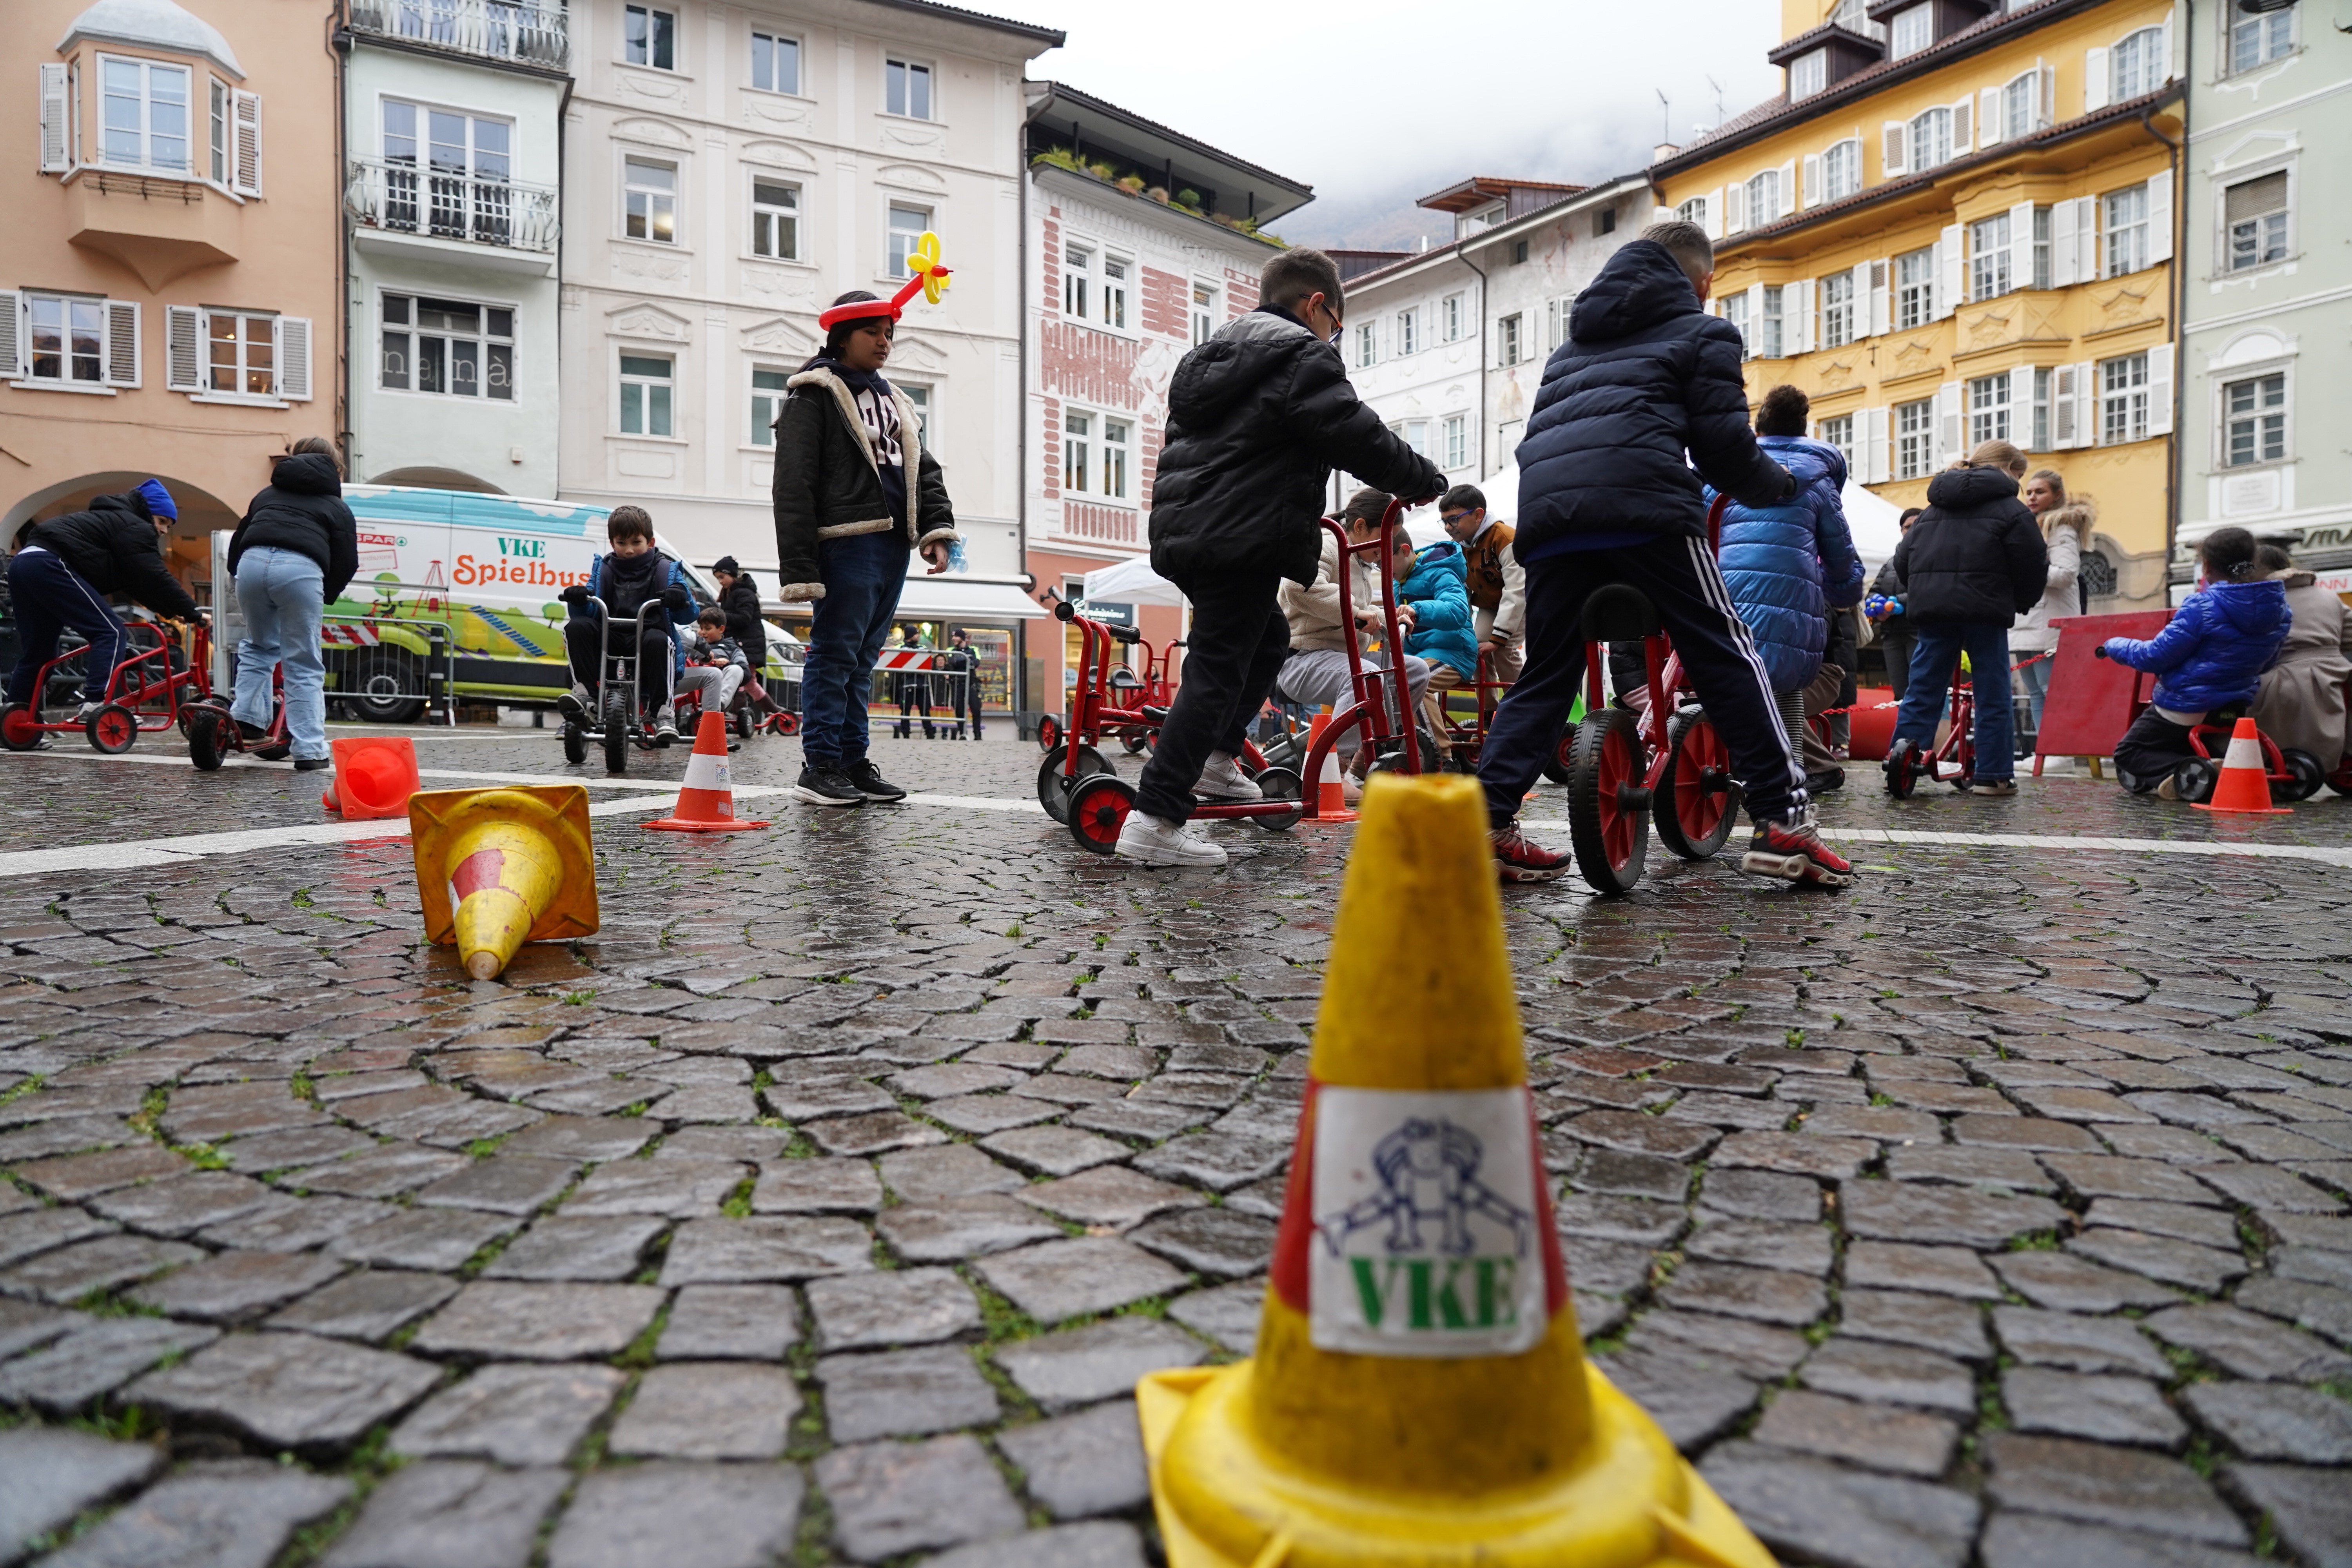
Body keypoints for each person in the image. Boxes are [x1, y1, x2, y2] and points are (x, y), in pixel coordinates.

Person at [1476, 220, 1851, 888]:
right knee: (1726, 649)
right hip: (1646, 508)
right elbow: (1726, 452)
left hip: (1552, 519)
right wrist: (1783, 487)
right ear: (1704, 283)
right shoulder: (1705, 333)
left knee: (1547, 673)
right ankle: (1783, 820)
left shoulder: (1571, 351)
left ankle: (1487, 824)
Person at [1123, 247, 1444, 866]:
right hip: (1239, 534)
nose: (1335, 339)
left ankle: (1216, 761)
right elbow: (1356, 433)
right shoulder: (1300, 355)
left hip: (1193, 531)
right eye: (1338, 326)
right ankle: (1156, 817)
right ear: (1317, 304)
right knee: (1218, 669)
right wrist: (1420, 478)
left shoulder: (1217, 358)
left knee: (1268, 642)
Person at [772, 289, 957, 807]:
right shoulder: (812, 397)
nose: (884, 342)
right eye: (873, 333)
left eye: (889, 333)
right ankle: (821, 765)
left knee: (862, 659)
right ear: (842, 337)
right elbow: (793, 486)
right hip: (845, 542)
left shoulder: (896, 399)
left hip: (892, 542)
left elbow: (926, 468)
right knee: (835, 656)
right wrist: (800, 567)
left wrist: (936, 532)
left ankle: (852, 761)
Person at [1712, 385, 1864, 797]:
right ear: (1804, 427)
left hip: (1723, 596)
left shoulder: (1725, 471)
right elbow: (1840, 554)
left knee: (1726, 683)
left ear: (1758, 428)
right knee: (1785, 685)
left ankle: (1729, 771)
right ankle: (1789, 777)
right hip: (1794, 602)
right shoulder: (1818, 482)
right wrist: (1845, 592)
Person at [1882, 441, 2047, 797]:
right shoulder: (2011, 509)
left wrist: (1927, 591)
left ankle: (1901, 758)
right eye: (2018, 476)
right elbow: (2033, 562)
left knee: (1922, 688)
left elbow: (1902, 559)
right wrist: (2021, 601)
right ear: (2006, 469)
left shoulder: (1932, 508)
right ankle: (1994, 775)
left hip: (1934, 611)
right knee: (1992, 692)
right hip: (1985, 610)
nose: (2019, 483)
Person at [5, 479, 203, 742]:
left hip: (23, 565)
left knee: (39, 653)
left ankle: (16, 717)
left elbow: (138, 583)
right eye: (163, 521)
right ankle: (95, 703)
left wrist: (173, 611)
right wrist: (193, 611)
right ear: (147, 513)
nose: (165, 531)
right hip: (49, 563)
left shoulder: (114, 524)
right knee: (110, 632)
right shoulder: (134, 526)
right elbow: (154, 574)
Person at [2103, 527, 2290, 799]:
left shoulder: (2202, 607)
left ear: (2206, 565)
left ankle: (2191, 772)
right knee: (2187, 741)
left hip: (2188, 704)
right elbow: (2267, 662)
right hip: (2235, 703)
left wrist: (2114, 645)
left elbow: (2154, 656)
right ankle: (2211, 765)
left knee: (2129, 752)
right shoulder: (2280, 609)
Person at [1273, 489, 1436, 780]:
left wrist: (1393, 616)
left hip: (1341, 657)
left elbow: (1361, 611)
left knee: (1415, 671)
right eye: (1383, 539)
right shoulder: (1326, 544)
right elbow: (1298, 588)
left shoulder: (1360, 560)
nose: (1386, 547)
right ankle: (1329, 772)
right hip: (1302, 658)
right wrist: (1356, 612)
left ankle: (1370, 755)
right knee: (1366, 676)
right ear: (1360, 527)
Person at [220, 439, 359, 771]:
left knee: (258, 646)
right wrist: (327, 593)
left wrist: (238, 574)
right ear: (335, 469)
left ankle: (248, 721)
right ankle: (310, 751)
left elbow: (239, 541)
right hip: (300, 570)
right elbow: (347, 561)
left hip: (252, 565)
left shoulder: (266, 495)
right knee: (303, 662)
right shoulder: (336, 507)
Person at [558, 506, 694, 744]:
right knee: (577, 627)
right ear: (613, 544)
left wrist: (680, 598)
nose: (629, 550)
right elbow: (591, 606)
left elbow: (689, 614)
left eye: (636, 542)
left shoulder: (667, 570)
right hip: (609, 640)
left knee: (659, 640)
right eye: (622, 543)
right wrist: (579, 599)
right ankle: (585, 694)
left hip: (647, 642)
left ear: (650, 542)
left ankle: (664, 712)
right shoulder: (604, 568)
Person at [2250, 543, 2352, 773]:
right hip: (2336, 671)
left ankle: (2269, 767)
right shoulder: (2329, 595)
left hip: (2286, 675)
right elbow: (2349, 635)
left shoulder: (2262, 599)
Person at [2010, 471, 2091, 737]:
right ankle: (2046, 749)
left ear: (2057, 495)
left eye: (2040, 492)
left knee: (2050, 690)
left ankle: (2060, 749)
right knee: (2035, 692)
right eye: (2029, 492)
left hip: (2049, 622)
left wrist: (2026, 570)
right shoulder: (2031, 526)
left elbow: (2066, 574)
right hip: (2027, 620)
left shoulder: (2060, 527)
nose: (2032, 497)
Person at [1391, 529, 1477, 759]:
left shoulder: (1440, 571)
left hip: (1452, 652)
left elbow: (1458, 611)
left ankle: (1441, 757)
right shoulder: (1396, 581)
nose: (1382, 568)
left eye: (1383, 561)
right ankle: (1379, 754)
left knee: (1415, 681)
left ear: (1405, 551)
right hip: (1419, 653)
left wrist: (1417, 610)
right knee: (1386, 682)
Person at [1438, 485, 1525, 685]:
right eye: (1444, 521)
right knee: (1475, 649)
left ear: (1478, 515)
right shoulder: (1459, 547)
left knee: (1503, 649)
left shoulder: (1504, 538)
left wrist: (1498, 638)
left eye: (1454, 519)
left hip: (1520, 603)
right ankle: (1487, 710)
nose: (1448, 527)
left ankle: (1522, 708)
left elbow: (1516, 590)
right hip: (1490, 605)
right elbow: (1461, 588)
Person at [1867, 508, 1925, 702]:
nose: (1911, 530)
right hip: (1891, 634)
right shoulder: (1891, 562)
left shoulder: (1931, 557)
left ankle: (1929, 733)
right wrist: (1878, 606)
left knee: (1922, 690)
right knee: (1900, 693)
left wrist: (1896, 602)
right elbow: (1874, 590)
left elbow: (1926, 590)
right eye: (1907, 527)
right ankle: (1905, 732)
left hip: (1918, 632)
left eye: (1916, 524)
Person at [676, 606, 749, 734]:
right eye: (701, 628)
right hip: (694, 688)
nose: (703, 632)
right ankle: (680, 720)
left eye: (708, 629)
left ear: (721, 629)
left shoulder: (731, 648)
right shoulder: (694, 647)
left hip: (720, 686)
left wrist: (726, 664)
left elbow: (746, 672)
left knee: (737, 669)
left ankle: (719, 703)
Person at [941, 626, 983, 739]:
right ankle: (963, 733)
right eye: (953, 636)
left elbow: (976, 663)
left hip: (971, 684)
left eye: (956, 636)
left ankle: (978, 735)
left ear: (963, 638)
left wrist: (962, 661)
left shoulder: (974, 649)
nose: (954, 639)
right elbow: (952, 662)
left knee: (976, 709)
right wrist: (967, 660)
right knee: (959, 709)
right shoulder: (951, 650)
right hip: (957, 684)